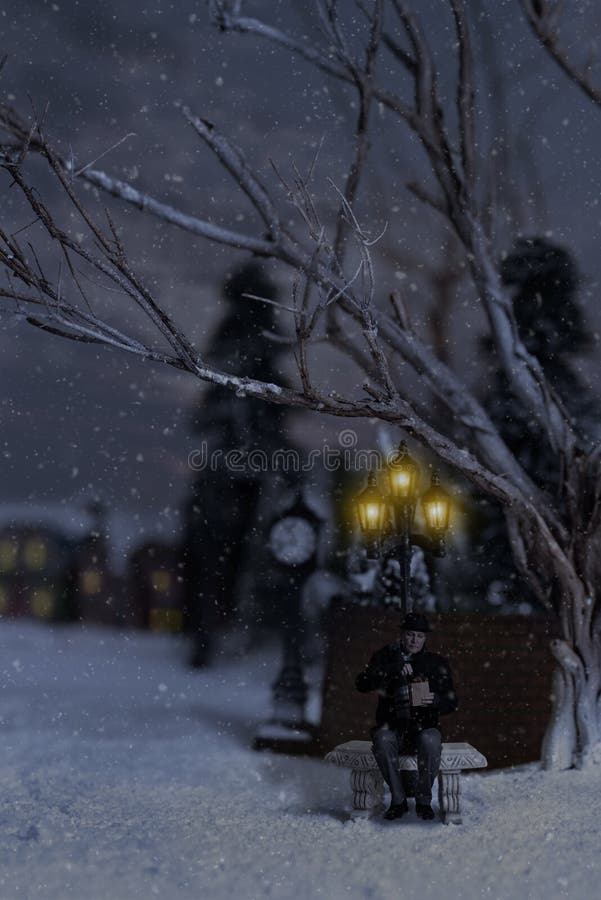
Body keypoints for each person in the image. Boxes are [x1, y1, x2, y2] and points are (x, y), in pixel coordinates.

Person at [355, 612, 458, 821]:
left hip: (424, 726)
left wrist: (436, 700)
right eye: (410, 634)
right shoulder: (385, 657)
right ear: (402, 635)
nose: (414, 640)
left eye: (420, 636)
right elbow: (362, 684)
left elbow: (452, 702)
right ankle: (398, 800)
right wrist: (392, 670)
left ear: (425, 638)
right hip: (392, 726)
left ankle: (423, 800)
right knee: (382, 740)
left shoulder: (435, 663)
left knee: (431, 741)